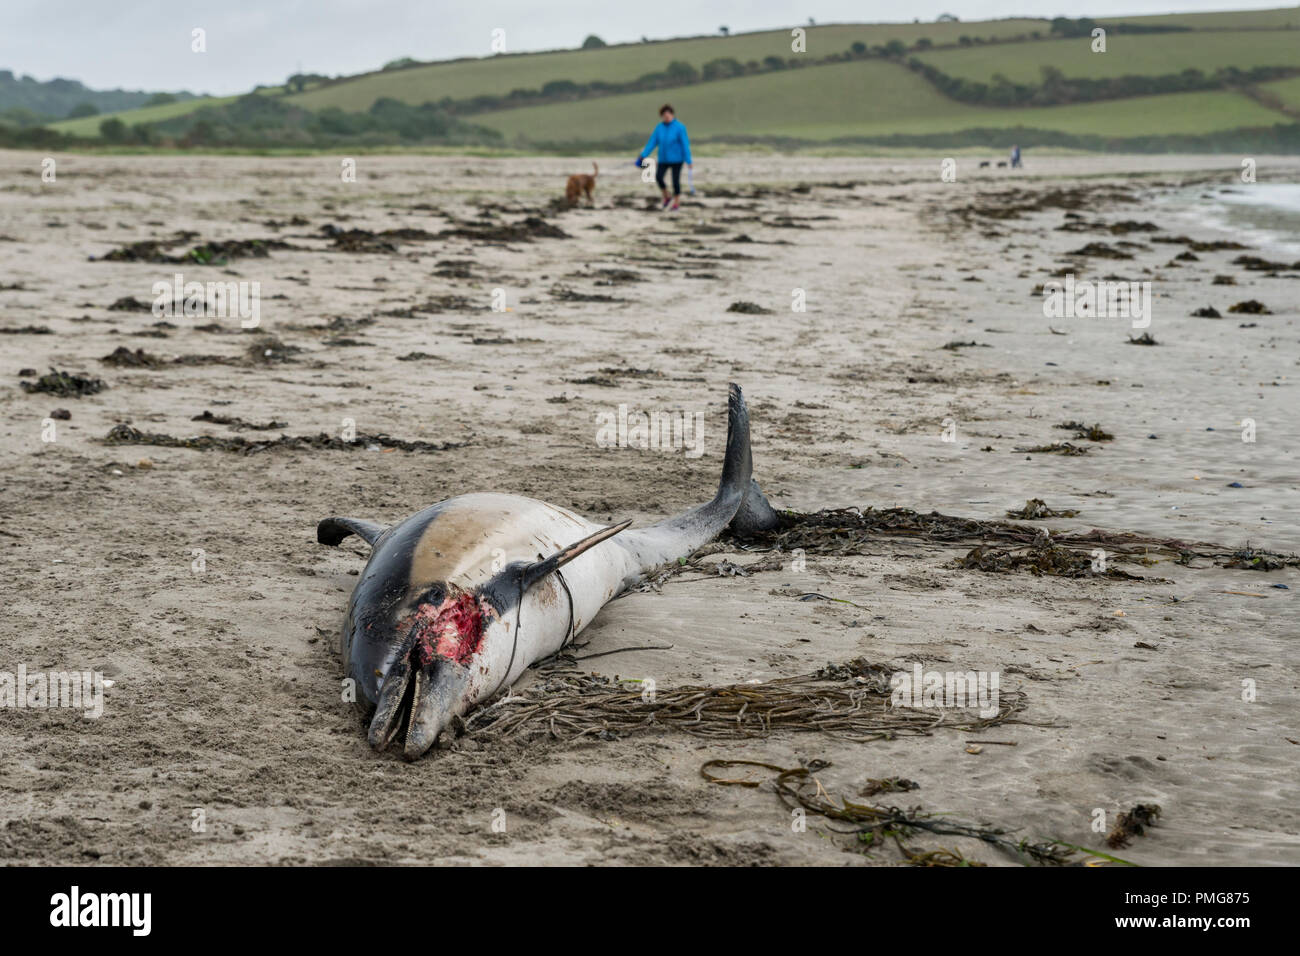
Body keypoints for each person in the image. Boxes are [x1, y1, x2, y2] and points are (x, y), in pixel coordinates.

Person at [636, 104, 692, 211]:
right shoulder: (659, 128)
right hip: (663, 159)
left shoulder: (680, 127)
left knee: (675, 181)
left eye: (668, 115)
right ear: (662, 116)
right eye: (664, 116)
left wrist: (688, 160)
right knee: (658, 177)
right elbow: (652, 143)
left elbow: (685, 144)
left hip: (677, 159)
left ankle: (676, 203)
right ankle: (667, 195)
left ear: (672, 115)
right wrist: (643, 155)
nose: (666, 117)